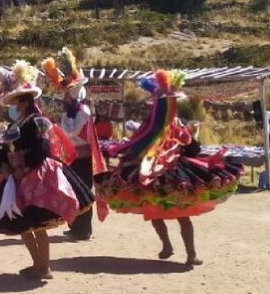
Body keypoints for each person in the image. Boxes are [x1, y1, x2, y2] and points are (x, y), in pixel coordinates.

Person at [95, 70, 243, 266]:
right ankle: (170, 247)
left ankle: (189, 253)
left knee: (179, 214)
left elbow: (190, 149)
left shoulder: (177, 127)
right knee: (158, 211)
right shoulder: (152, 127)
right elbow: (140, 146)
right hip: (153, 171)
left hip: (174, 173)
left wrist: (192, 135)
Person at [0, 61, 94, 280]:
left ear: (22, 102)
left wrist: (23, 169)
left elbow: (42, 149)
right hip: (16, 177)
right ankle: (39, 265)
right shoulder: (16, 125)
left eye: (15, 101)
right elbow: (5, 149)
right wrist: (5, 165)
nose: (14, 106)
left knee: (36, 224)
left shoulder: (38, 121)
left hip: (35, 177)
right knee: (25, 225)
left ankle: (43, 267)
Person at [41, 48, 107, 240]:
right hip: (73, 157)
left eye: (67, 94)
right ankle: (76, 226)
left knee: (84, 192)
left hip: (83, 159)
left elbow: (71, 131)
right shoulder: (70, 112)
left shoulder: (83, 111)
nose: (64, 97)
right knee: (74, 191)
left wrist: (62, 121)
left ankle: (84, 229)